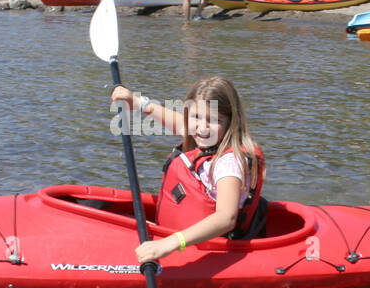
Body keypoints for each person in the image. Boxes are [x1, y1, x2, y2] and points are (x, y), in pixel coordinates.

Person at [109, 75, 266, 263]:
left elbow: (226, 217)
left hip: (210, 247)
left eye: (213, 119)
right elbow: (178, 122)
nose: (202, 126)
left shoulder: (228, 163)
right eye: (196, 117)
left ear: (231, 123)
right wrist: (137, 102)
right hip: (176, 235)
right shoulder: (207, 135)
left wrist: (171, 243)